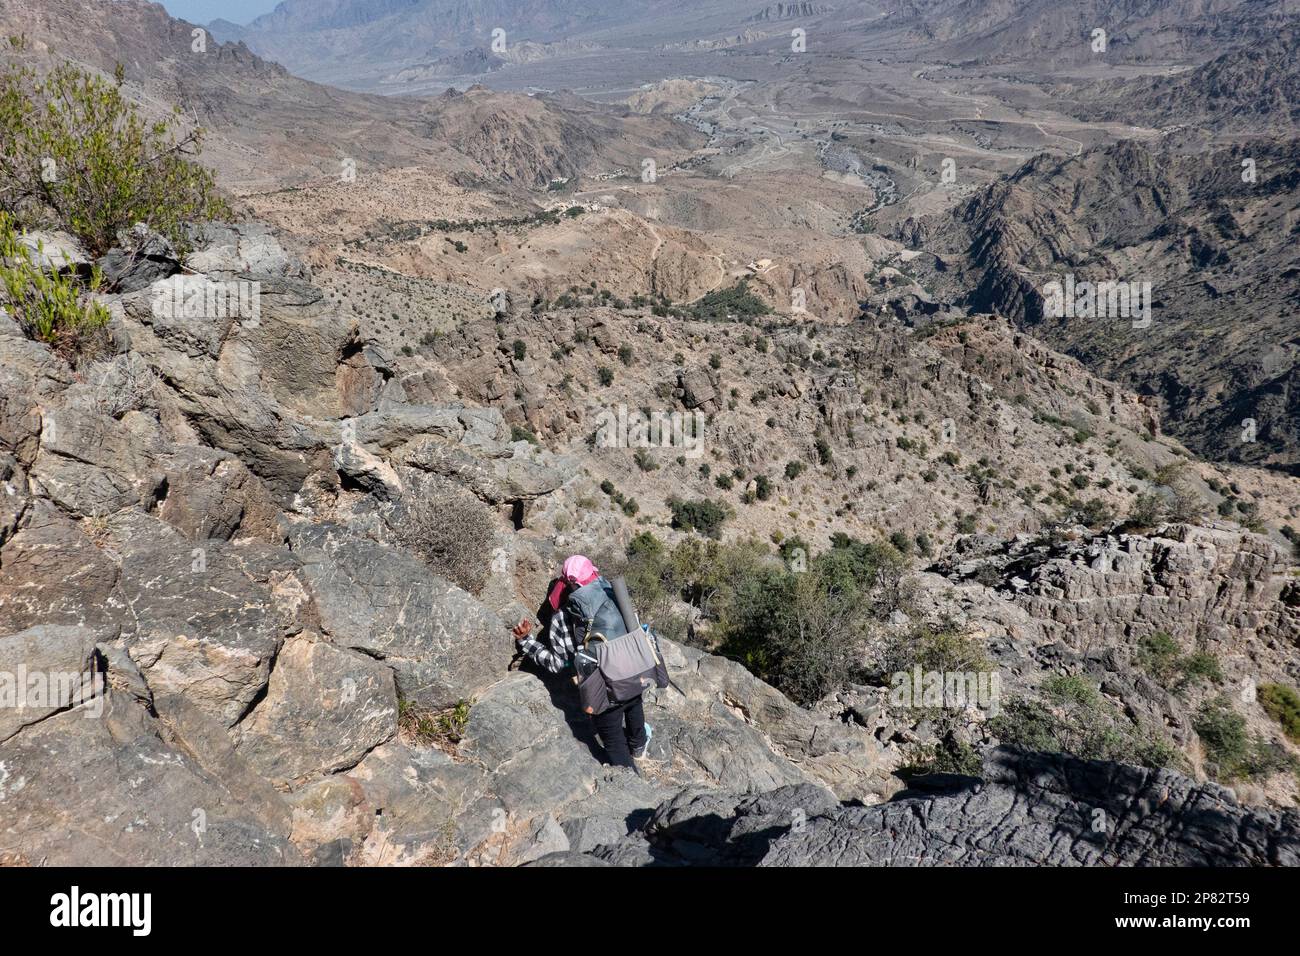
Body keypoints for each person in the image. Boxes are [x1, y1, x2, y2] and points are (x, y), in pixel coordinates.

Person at [513, 555, 651, 769]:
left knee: (613, 740)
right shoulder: (613, 594)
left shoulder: (563, 616)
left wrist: (526, 642)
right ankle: (639, 748)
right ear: (593, 574)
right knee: (634, 706)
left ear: (568, 583)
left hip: (606, 687)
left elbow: (558, 663)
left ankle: (630, 781)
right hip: (635, 671)